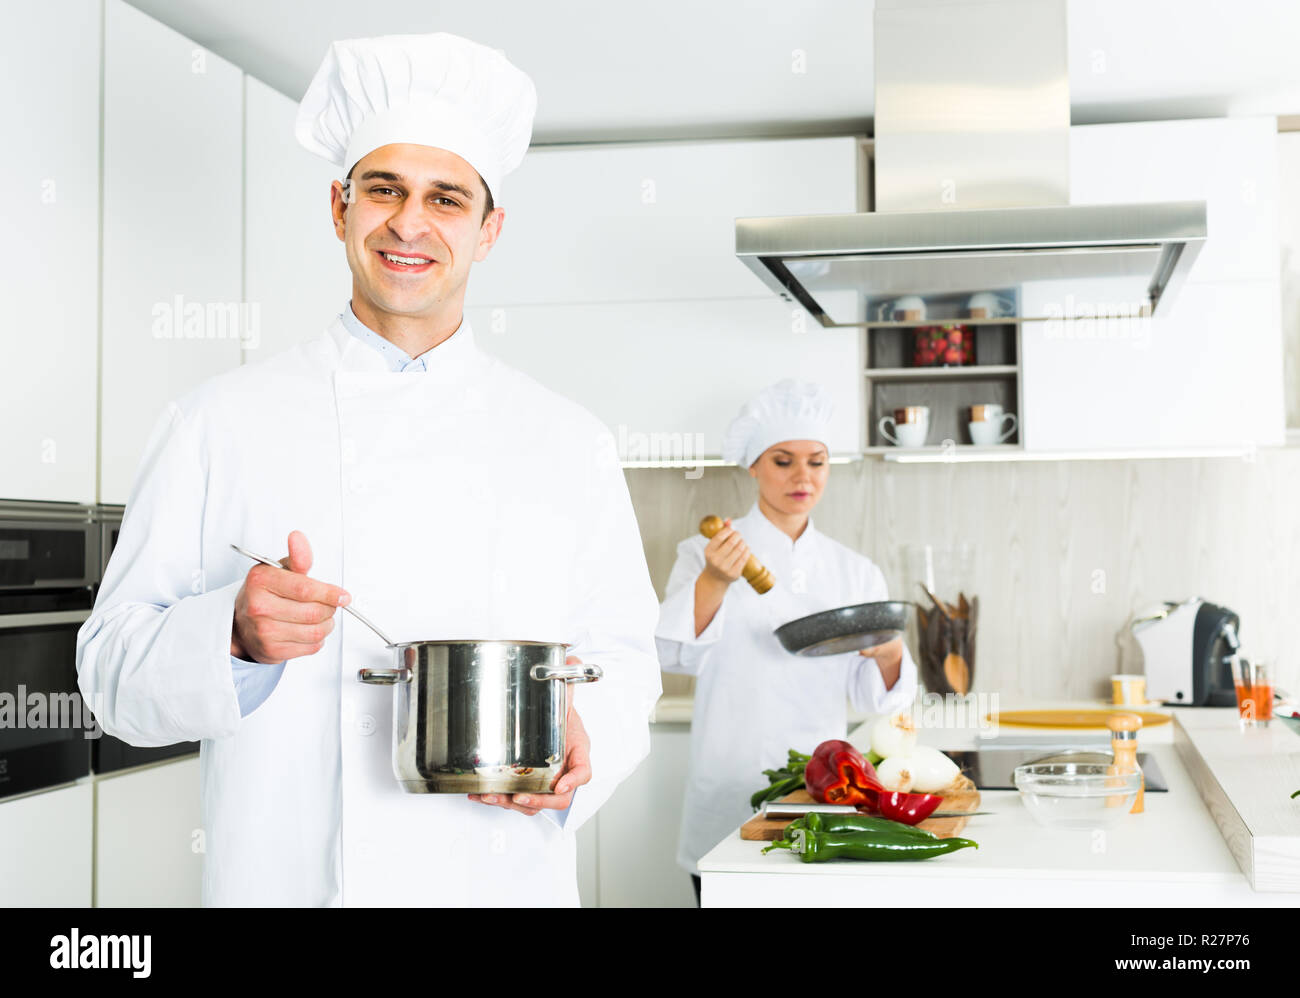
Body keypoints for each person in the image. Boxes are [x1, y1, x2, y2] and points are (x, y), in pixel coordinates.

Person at [76, 32, 662, 907]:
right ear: (339, 207)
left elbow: (622, 656)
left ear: (489, 229)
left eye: (446, 198)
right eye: (383, 188)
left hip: (497, 878)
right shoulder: (216, 421)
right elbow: (111, 676)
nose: (409, 223)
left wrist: (590, 738)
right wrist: (230, 635)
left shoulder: (566, 441)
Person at [655, 380, 918, 905]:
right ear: (753, 466)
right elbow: (673, 656)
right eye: (783, 461)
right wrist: (714, 581)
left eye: (816, 461)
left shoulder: (855, 571)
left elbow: (875, 700)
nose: (803, 476)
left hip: (822, 789)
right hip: (727, 779)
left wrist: (890, 653)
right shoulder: (704, 552)